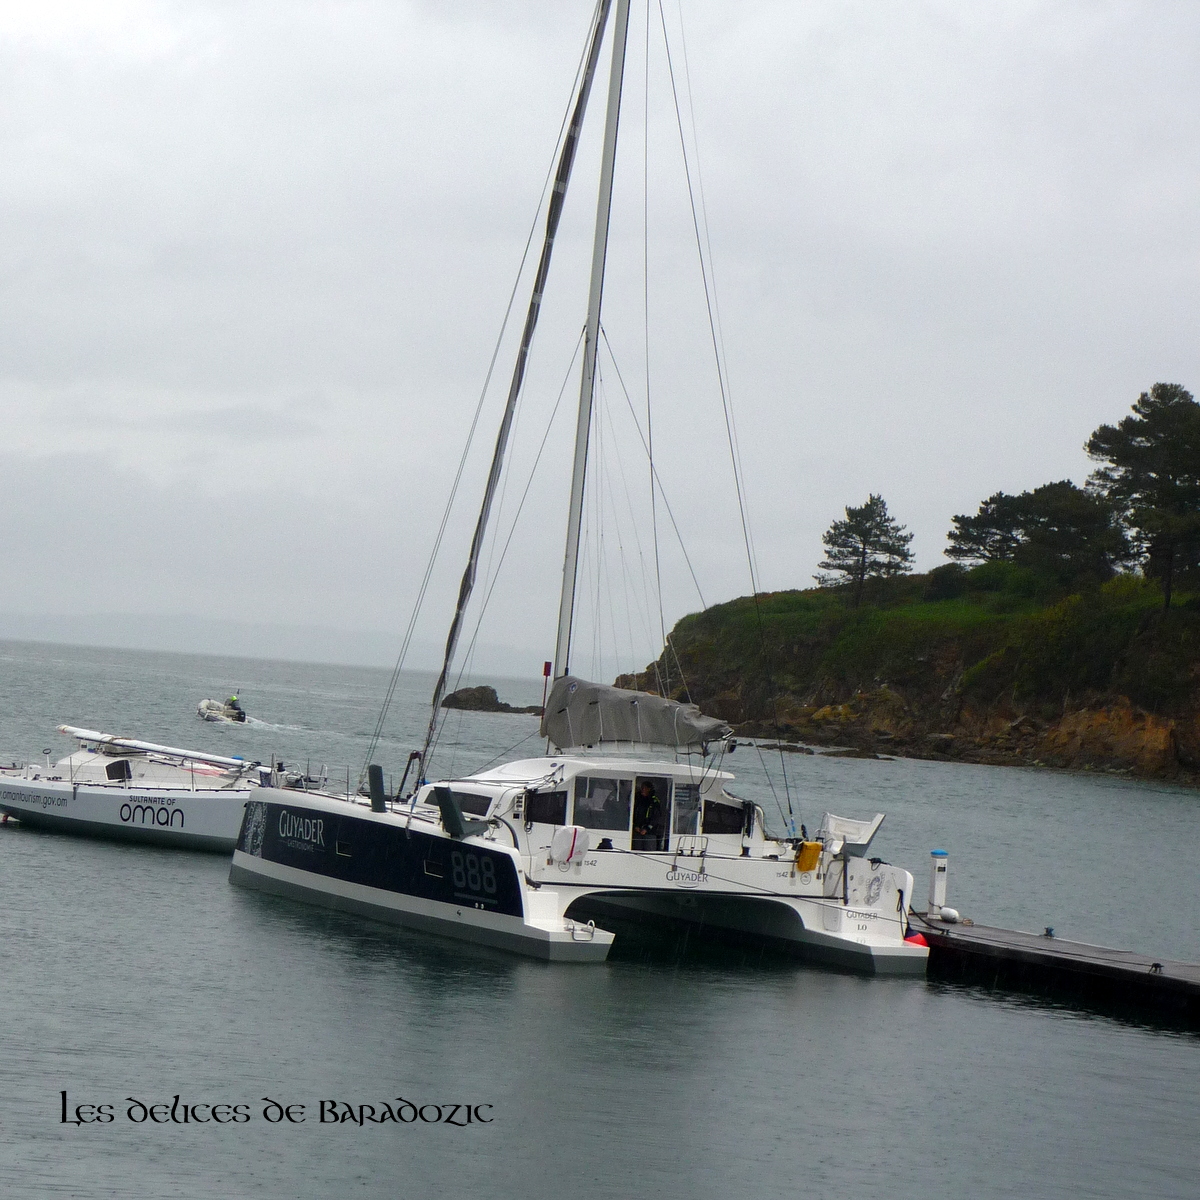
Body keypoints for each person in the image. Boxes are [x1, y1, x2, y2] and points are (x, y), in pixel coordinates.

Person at [633, 780, 662, 849]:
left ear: (649, 789)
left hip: (650, 833)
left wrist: (647, 828)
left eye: (645, 788)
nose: (643, 790)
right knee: (636, 849)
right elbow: (632, 813)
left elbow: (656, 817)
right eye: (642, 788)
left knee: (649, 850)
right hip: (637, 831)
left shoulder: (654, 801)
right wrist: (635, 826)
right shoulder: (636, 799)